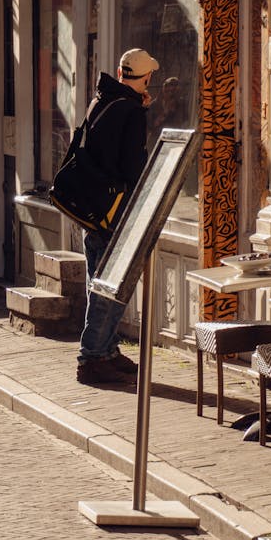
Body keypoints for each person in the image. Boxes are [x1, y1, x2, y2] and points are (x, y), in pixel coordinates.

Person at [75, 48, 159, 386]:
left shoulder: (102, 99)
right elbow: (131, 167)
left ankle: (106, 349)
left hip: (90, 207)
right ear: (146, 79)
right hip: (114, 211)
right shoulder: (130, 112)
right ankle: (92, 357)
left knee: (97, 280)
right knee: (109, 286)